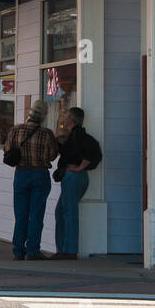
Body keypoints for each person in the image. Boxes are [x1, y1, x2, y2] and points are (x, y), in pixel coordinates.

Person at [5, 99, 58, 260]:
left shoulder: (15, 130)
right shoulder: (47, 133)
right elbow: (52, 155)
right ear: (44, 116)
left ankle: (18, 251)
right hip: (40, 174)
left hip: (21, 174)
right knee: (36, 214)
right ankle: (33, 250)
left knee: (21, 215)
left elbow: (7, 150)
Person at [52, 106, 102, 260]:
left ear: (71, 119)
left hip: (73, 177)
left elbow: (93, 154)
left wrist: (79, 167)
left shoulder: (78, 137)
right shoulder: (76, 136)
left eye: (66, 116)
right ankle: (63, 249)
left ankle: (69, 250)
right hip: (76, 177)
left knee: (68, 213)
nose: (64, 119)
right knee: (61, 212)